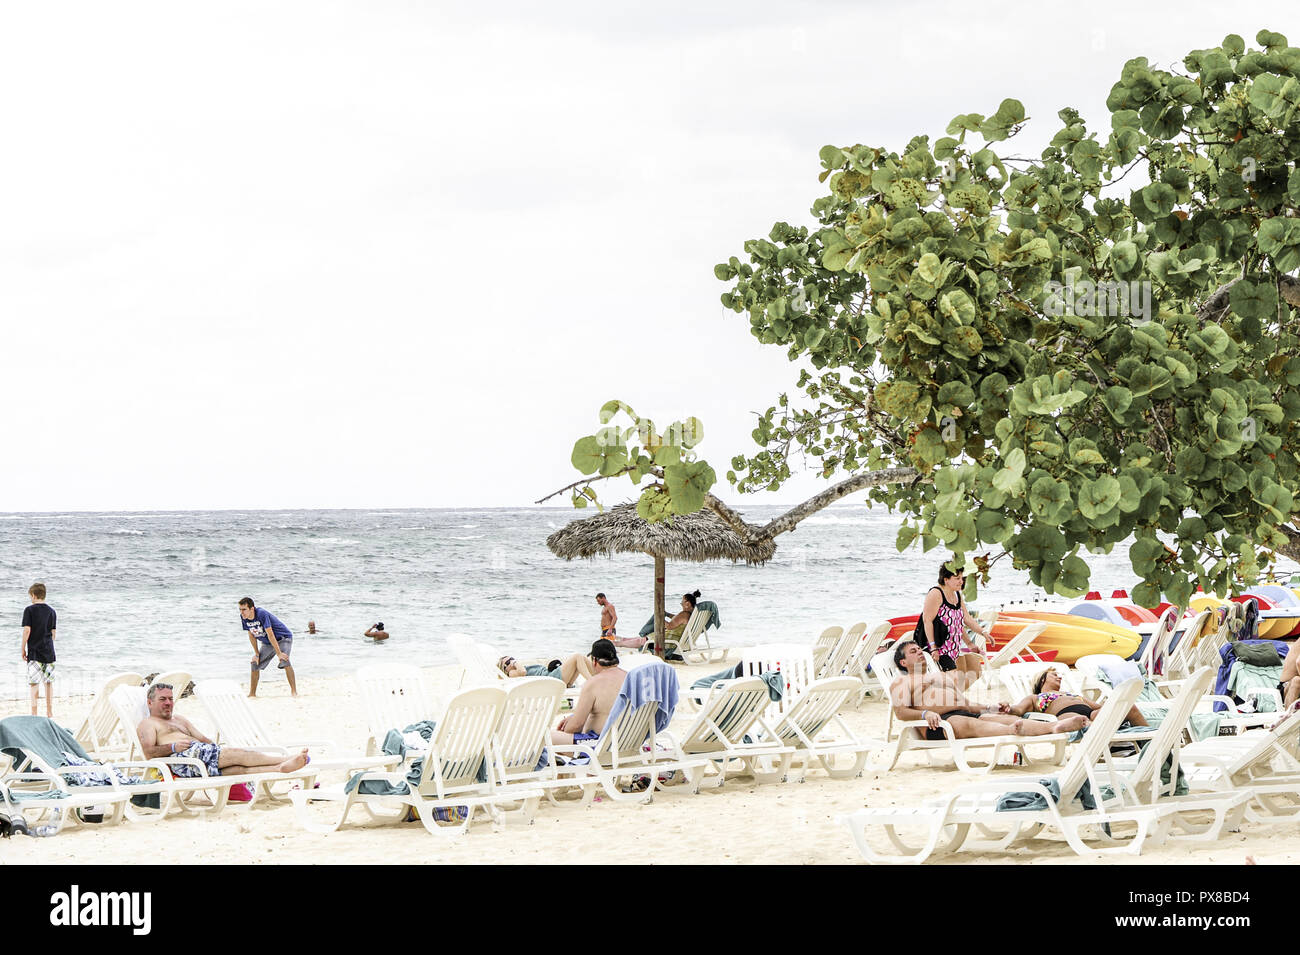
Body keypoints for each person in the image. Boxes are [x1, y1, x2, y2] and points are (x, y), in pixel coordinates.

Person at [890, 640, 1089, 739]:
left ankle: (1052, 728)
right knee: (968, 723)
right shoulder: (901, 683)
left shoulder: (940, 676)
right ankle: (1011, 732)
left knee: (1010, 719)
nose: (920, 654)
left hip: (961, 714)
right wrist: (926, 713)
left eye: (920, 650)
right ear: (903, 661)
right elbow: (900, 712)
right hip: (938, 725)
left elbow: (966, 704)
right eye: (913, 652)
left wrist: (991, 707)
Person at [137, 683, 309, 776]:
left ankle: (279, 768)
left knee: (237, 769)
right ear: (150, 703)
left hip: (201, 754)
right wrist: (173, 747)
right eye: (162, 699)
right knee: (239, 754)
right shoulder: (148, 724)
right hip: (183, 760)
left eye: (170, 699)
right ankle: (285, 758)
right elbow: (149, 753)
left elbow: (204, 739)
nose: (168, 703)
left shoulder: (180, 719)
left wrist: (216, 749)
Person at [915, 564, 990, 690]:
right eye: (957, 578)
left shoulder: (957, 594)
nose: (961, 581)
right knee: (953, 681)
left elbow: (964, 619)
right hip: (939, 646)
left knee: (975, 670)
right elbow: (927, 621)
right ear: (946, 579)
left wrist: (981, 634)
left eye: (962, 578)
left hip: (954, 646)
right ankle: (950, 703)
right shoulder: (936, 593)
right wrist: (933, 648)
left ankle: (954, 701)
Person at [1008, 668, 1147, 726]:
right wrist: (1008, 708)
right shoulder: (1036, 697)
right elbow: (1019, 710)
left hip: (1092, 714)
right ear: (1042, 679)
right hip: (1065, 716)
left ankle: (1148, 745)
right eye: (1054, 675)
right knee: (1083, 722)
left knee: (1129, 707)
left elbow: (1100, 708)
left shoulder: (1072, 694)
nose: (1059, 677)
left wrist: (1117, 702)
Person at [550, 639, 626, 745]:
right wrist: (573, 717)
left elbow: (576, 726)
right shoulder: (629, 678)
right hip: (627, 741)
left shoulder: (593, 683)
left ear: (594, 660)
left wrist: (566, 727)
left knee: (548, 737)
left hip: (600, 745)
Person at [239, 597, 298, 698]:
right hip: (267, 643)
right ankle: (252, 694)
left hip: (283, 638)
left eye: (244, 609)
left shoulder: (262, 613)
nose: (242, 612)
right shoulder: (244, 618)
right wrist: (257, 654)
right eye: (240, 609)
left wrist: (279, 653)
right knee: (254, 663)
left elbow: (270, 634)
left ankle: (294, 692)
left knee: (284, 660)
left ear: (252, 609)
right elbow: (251, 635)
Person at [21, 582, 57, 718]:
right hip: (49, 652)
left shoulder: (29, 610)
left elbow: (27, 630)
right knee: (48, 682)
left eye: (30, 596)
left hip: (34, 652)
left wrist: (23, 648)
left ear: (34, 595)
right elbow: (53, 634)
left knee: (34, 683)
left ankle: (34, 712)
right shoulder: (52, 611)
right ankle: (49, 711)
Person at [498, 652, 590, 687]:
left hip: (552, 676)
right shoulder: (511, 673)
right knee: (577, 657)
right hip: (551, 679)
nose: (510, 662)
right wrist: (514, 662)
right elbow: (523, 672)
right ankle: (592, 680)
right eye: (507, 663)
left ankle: (599, 676)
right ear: (505, 669)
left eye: (510, 659)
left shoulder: (517, 669)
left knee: (581, 658)